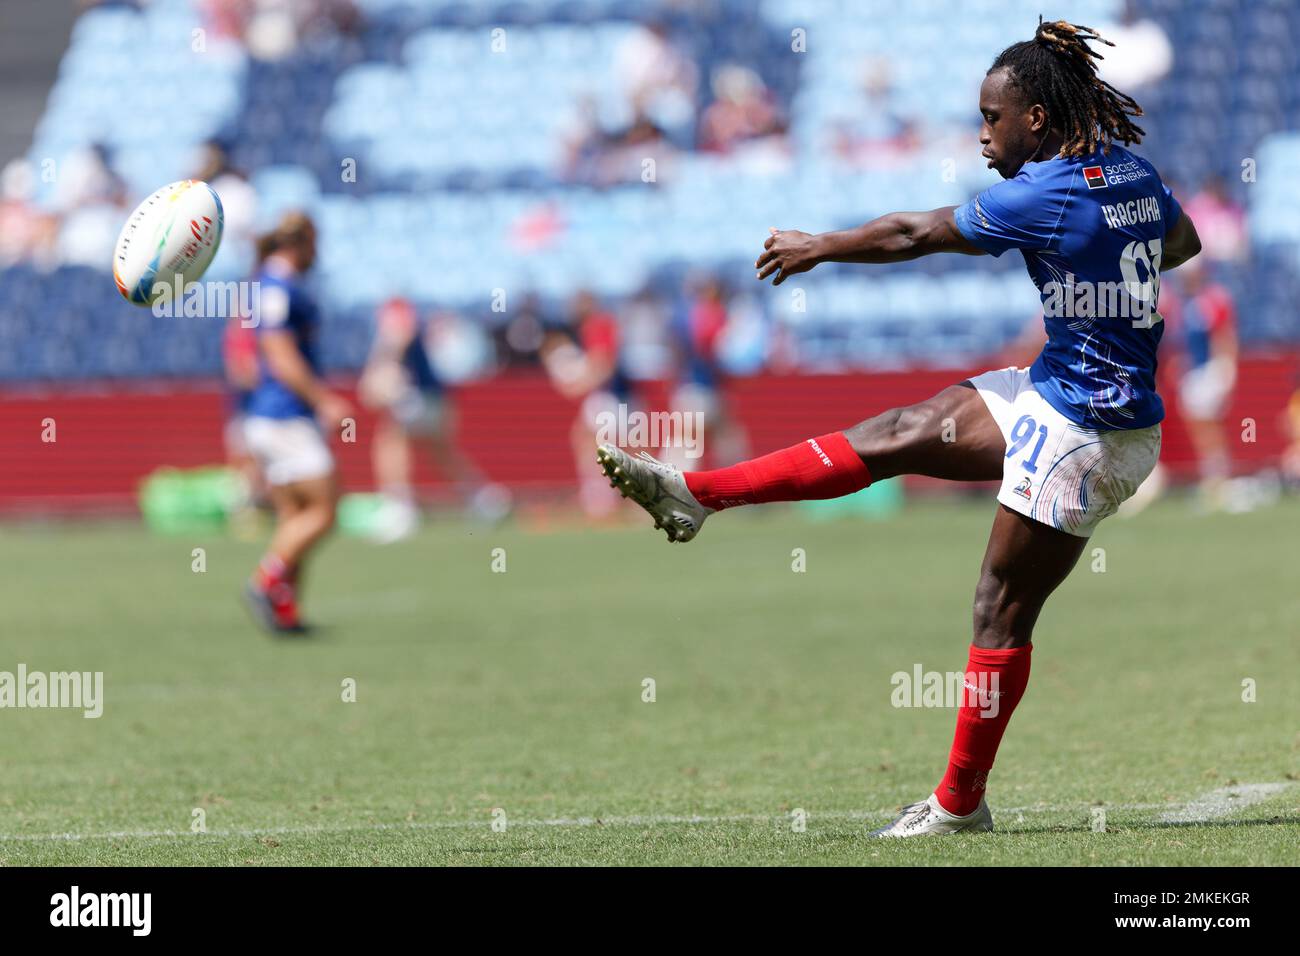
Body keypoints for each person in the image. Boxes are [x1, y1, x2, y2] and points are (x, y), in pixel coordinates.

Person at [597, 19, 1202, 837]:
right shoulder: (1128, 169)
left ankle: (958, 806)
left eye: (993, 117)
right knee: (904, 430)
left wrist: (822, 246)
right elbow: (1183, 238)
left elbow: (918, 233)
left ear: (1036, 118)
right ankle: (696, 495)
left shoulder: (1048, 192)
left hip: (1091, 431)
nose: (983, 132)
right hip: (1057, 391)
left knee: (999, 611)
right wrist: (1113, 283)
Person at [241, 212, 351, 634]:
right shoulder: (278, 287)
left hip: (269, 417)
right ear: (301, 242)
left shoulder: (267, 284)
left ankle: (287, 610)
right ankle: (264, 581)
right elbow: (280, 354)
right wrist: (324, 400)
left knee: (295, 514)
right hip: (285, 416)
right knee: (325, 509)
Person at [358, 297, 508, 541]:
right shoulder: (400, 326)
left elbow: (398, 341)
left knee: (391, 441)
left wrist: (382, 372)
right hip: (432, 397)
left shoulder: (398, 321)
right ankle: (485, 499)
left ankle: (400, 509)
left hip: (419, 396)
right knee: (441, 452)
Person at [1167, 260, 1239, 507]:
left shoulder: (1213, 299)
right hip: (1195, 371)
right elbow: (1187, 341)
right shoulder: (1185, 303)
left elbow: (1224, 335)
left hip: (1210, 369)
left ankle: (1219, 478)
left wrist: (1227, 367)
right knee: (1200, 426)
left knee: (1208, 426)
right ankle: (1215, 477)